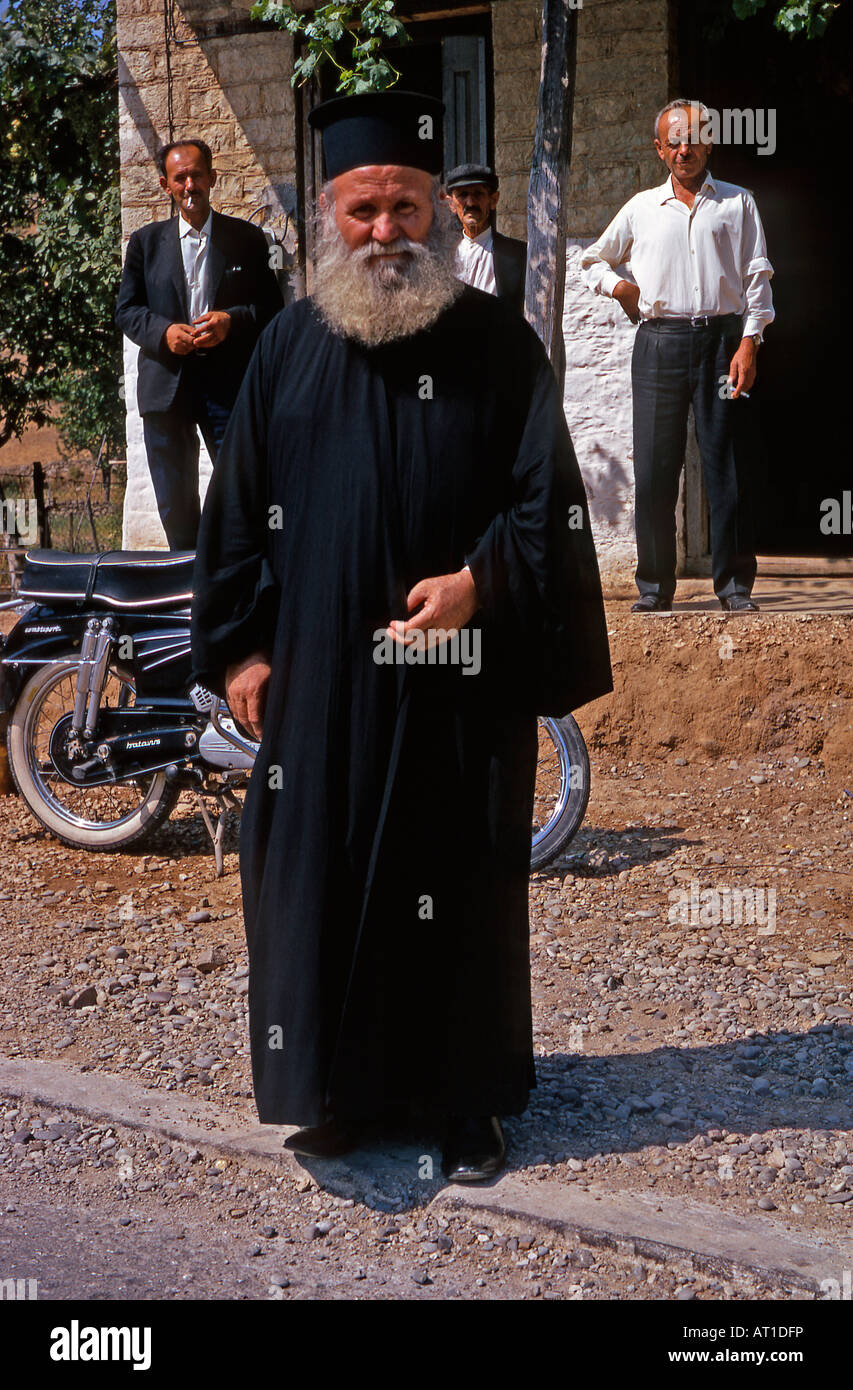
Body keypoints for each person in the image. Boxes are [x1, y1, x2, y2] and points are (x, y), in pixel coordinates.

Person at [191, 91, 611, 1182]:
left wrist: (478, 584)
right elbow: (237, 513)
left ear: (439, 210)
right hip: (323, 681)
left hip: (453, 683)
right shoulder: (284, 348)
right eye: (365, 209)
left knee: (457, 873)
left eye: (408, 208)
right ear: (331, 214)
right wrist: (241, 650)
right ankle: (340, 1091)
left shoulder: (498, 347)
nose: (387, 233)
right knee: (320, 876)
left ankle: (466, 1104)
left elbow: (545, 502)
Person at [581, 99, 775, 613]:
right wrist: (619, 288)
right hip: (659, 344)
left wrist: (750, 341)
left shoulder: (738, 203)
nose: (684, 149)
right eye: (674, 140)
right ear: (660, 148)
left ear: (709, 142)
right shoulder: (641, 208)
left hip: (721, 343)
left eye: (693, 138)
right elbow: (590, 259)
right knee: (655, 467)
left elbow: (758, 278)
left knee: (726, 466)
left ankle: (734, 587)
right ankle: (653, 589)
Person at [116, 138, 284, 549]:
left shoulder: (246, 239)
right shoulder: (145, 243)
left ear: (212, 177)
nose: (190, 185)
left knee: (241, 486)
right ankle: (188, 584)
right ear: (165, 185)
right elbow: (127, 310)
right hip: (166, 387)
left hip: (228, 387)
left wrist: (232, 320)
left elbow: (272, 309)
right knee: (175, 501)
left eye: (197, 175)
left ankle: (233, 574)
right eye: (180, 178)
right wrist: (163, 333)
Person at [445, 162, 527, 314]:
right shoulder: (442, 256)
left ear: (493, 200)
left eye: (478, 194)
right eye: (463, 195)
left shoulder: (518, 255)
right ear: (451, 203)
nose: (470, 202)